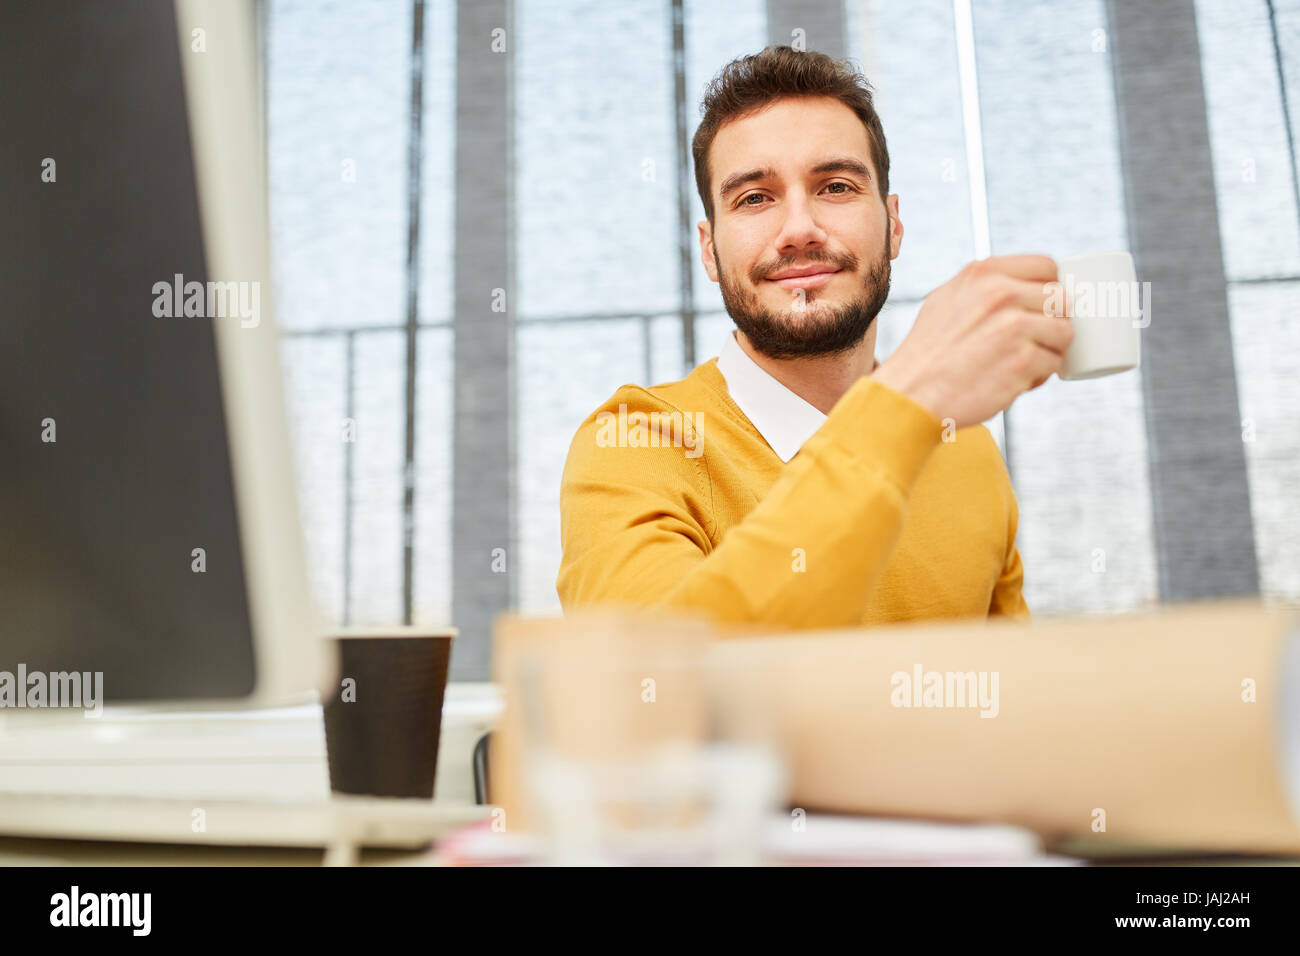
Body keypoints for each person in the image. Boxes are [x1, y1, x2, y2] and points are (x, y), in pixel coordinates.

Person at [556, 45, 1073, 630]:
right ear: (709, 249)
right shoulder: (633, 446)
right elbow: (663, 683)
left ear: (893, 223)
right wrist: (904, 403)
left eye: (836, 187)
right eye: (754, 198)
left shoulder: (967, 447)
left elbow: (1008, 705)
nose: (799, 230)